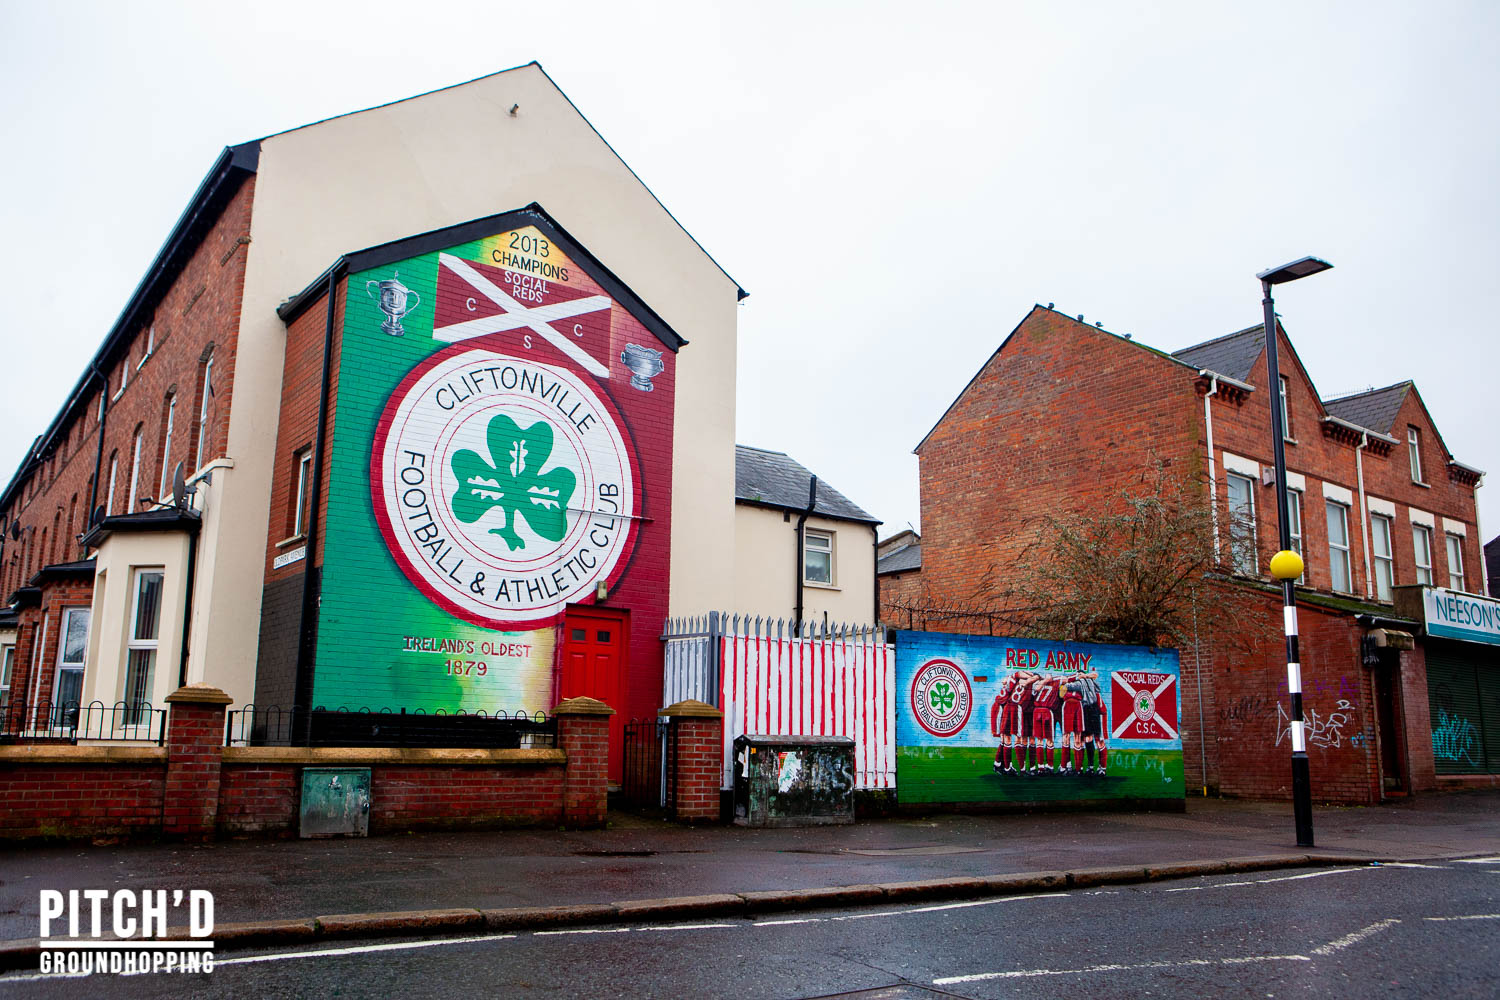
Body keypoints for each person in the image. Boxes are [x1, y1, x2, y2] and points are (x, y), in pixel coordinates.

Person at [1030, 674, 1061, 772]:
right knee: (1049, 740)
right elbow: (1065, 679)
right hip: (1047, 711)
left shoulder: (1037, 684)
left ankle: (1040, 767)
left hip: (1036, 711)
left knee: (1039, 740)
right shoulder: (1056, 683)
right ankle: (1050, 766)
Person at [990, 674, 1018, 774]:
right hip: (1000, 710)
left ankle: (998, 764)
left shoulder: (1010, 685)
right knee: (1006, 739)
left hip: (1001, 709)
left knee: (1004, 740)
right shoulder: (1012, 684)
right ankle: (1007, 767)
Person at [1061, 674, 1086, 773]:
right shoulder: (1065, 682)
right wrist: (1074, 678)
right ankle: (1064, 766)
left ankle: (1078, 768)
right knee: (1066, 736)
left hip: (1078, 707)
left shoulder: (1083, 683)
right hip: (1067, 706)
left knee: (1077, 736)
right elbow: (1061, 692)